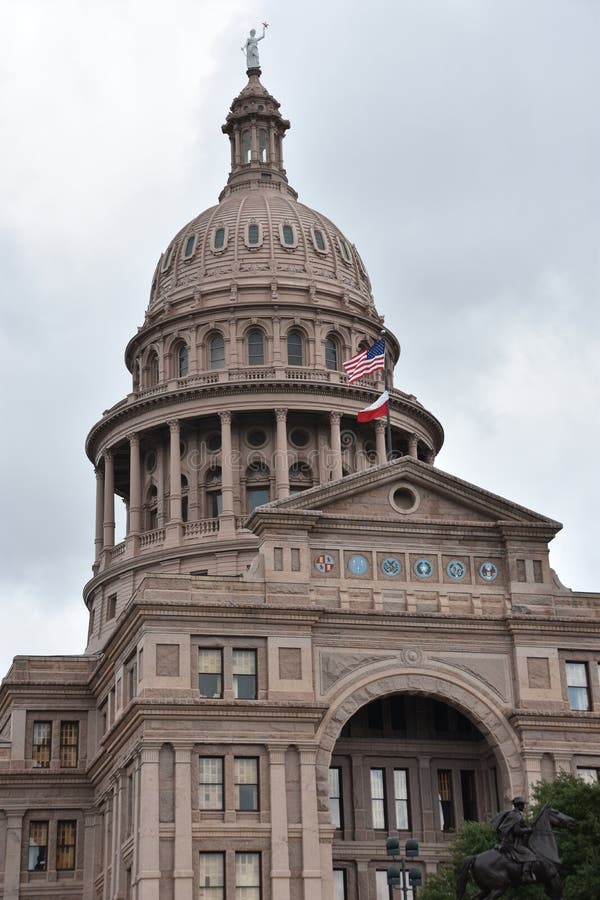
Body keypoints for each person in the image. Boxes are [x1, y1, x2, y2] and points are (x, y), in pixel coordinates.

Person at [492, 796, 538, 883]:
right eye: (523, 805)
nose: (524, 807)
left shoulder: (514, 814)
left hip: (512, 841)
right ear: (519, 805)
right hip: (513, 843)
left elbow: (521, 827)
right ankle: (525, 875)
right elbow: (517, 831)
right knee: (530, 855)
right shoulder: (516, 816)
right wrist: (528, 830)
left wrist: (529, 827)